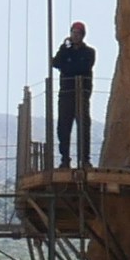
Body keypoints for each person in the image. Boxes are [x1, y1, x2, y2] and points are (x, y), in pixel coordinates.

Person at [48, 20, 97, 171]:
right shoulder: (66, 51)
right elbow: (55, 63)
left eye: (78, 34)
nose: (75, 36)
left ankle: (85, 160)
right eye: (73, 33)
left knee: (83, 127)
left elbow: (81, 67)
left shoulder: (89, 52)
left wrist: (67, 65)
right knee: (63, 127)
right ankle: (65, 160)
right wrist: (64, 48)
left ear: (82, 35)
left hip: (81, 93)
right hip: (66, 93)